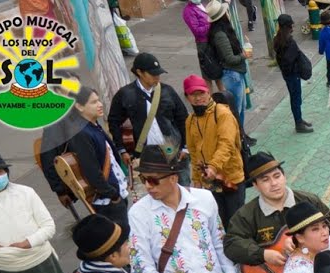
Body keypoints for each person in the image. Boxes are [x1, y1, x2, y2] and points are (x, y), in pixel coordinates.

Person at [128, 146, 238, 273]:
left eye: (153, 180)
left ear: (173, 177)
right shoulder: (139, 213)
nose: (148, 186)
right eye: (143, 179)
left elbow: (219, 239)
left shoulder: (204, 199)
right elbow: (140, 265)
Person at [225, 152, 330, 273]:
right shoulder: (246, 214)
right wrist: (263, 254)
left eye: (277, 176)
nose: (274, 183)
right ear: (255, 185)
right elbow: (231, 244)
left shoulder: (309, 201)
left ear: (284, 175)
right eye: (265, 180)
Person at [41, 87, 131, 232]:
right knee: (117, 237)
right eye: (94, 102)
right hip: (107, 198)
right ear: (79, 106)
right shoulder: (78, 132)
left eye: (99, 100)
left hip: (115, 190)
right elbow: (91, 170)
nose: (100, 104)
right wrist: (112, 194)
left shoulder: (91, 124)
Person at [107, 53, 189, 176]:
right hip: (145, 153)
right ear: (139, 72)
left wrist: (185, 146)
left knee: (180, 182)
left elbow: (183, 118)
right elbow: (113, 121)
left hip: (172, 149)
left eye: (158, 74)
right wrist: (122, 149)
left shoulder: (168, 91)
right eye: (153, 74)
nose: (157, 77)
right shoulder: (125, 94)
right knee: (153, 185)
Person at [184, 74, 246, 224]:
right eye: (193, 95)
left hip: (230, 179)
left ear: (208, 92)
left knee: (236, 223)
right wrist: (197, 180)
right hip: (210, 183)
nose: (198, 98)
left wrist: (213, 166)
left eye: (201, 93)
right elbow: (193, 151)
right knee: (217, 224)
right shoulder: (190, 120)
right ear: (187, 97)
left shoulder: (222, 114)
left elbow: (227, 144)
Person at [204, 0, 251, 136]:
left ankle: (242, 135)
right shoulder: (220, 35)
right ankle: (238, 138)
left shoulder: (222, 31)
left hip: (236, 73)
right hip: (232, 75)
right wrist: (243, 56)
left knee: (240, 108)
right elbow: (229, 58)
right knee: (236, 110)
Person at [274, 15, 314, 133]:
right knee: (296, 98)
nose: (292, 28)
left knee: (295, 97)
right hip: (293, 74)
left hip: (287, 75)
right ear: (288, 26)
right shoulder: (289, 42)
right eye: (291, 25)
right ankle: (298, 123)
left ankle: (299, 119)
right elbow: (290, 59)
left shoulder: (277, 39)